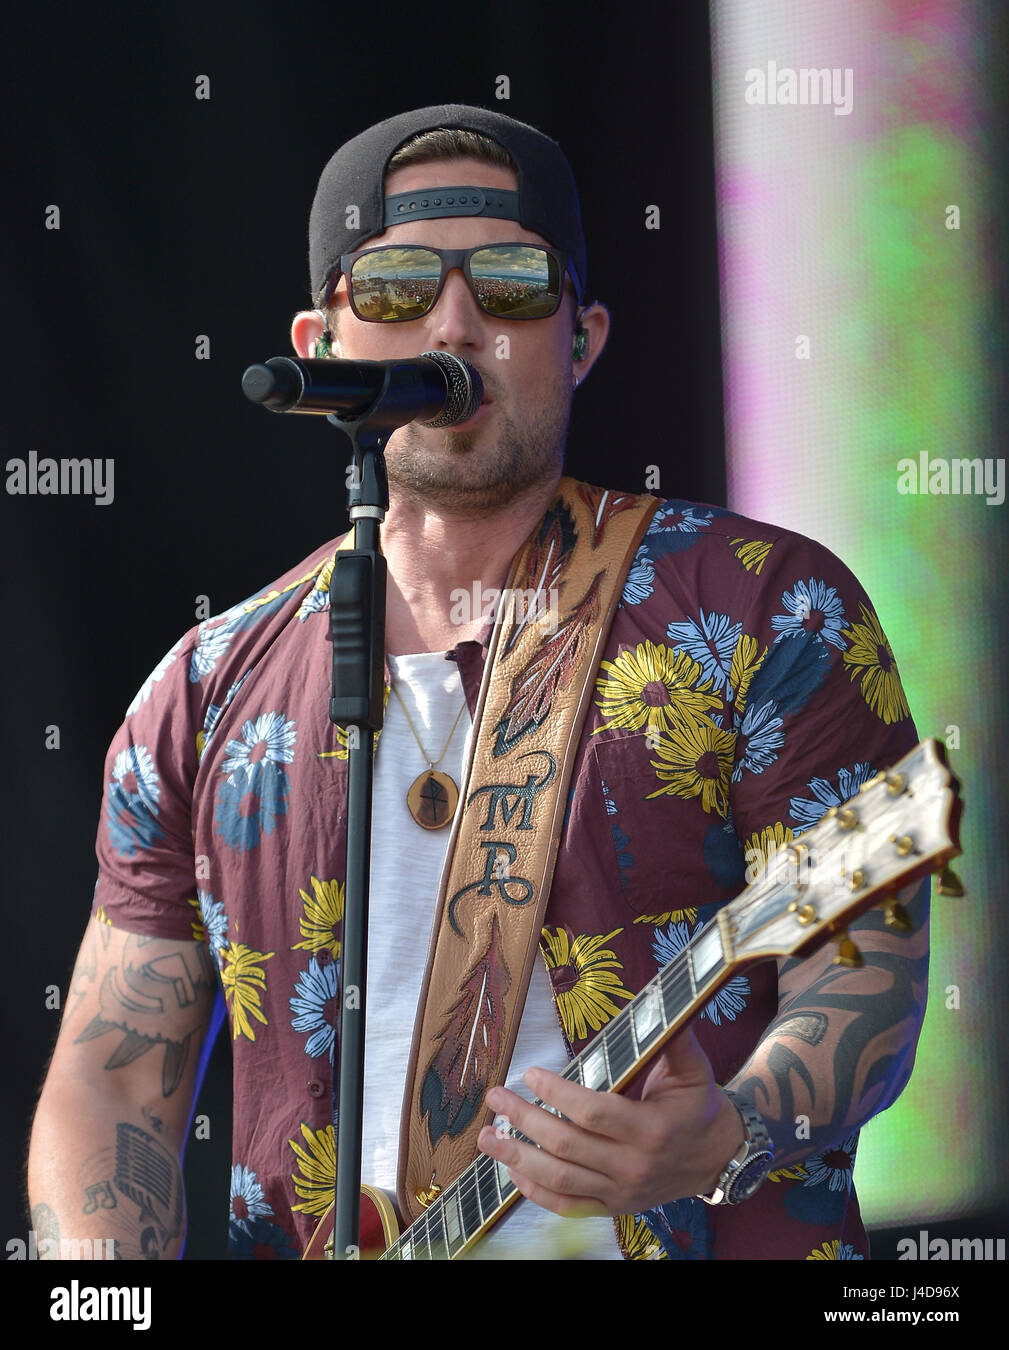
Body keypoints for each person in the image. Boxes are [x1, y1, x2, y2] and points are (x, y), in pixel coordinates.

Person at [28, 104, 928, 1262]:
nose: (457, 320)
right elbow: (110, 1088)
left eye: (510, 284)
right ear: (325, 340)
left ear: (584, 336)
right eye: (398, 287)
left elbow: (873, 971)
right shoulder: (205, 690)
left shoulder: (763, 606)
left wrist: (735, 1126)